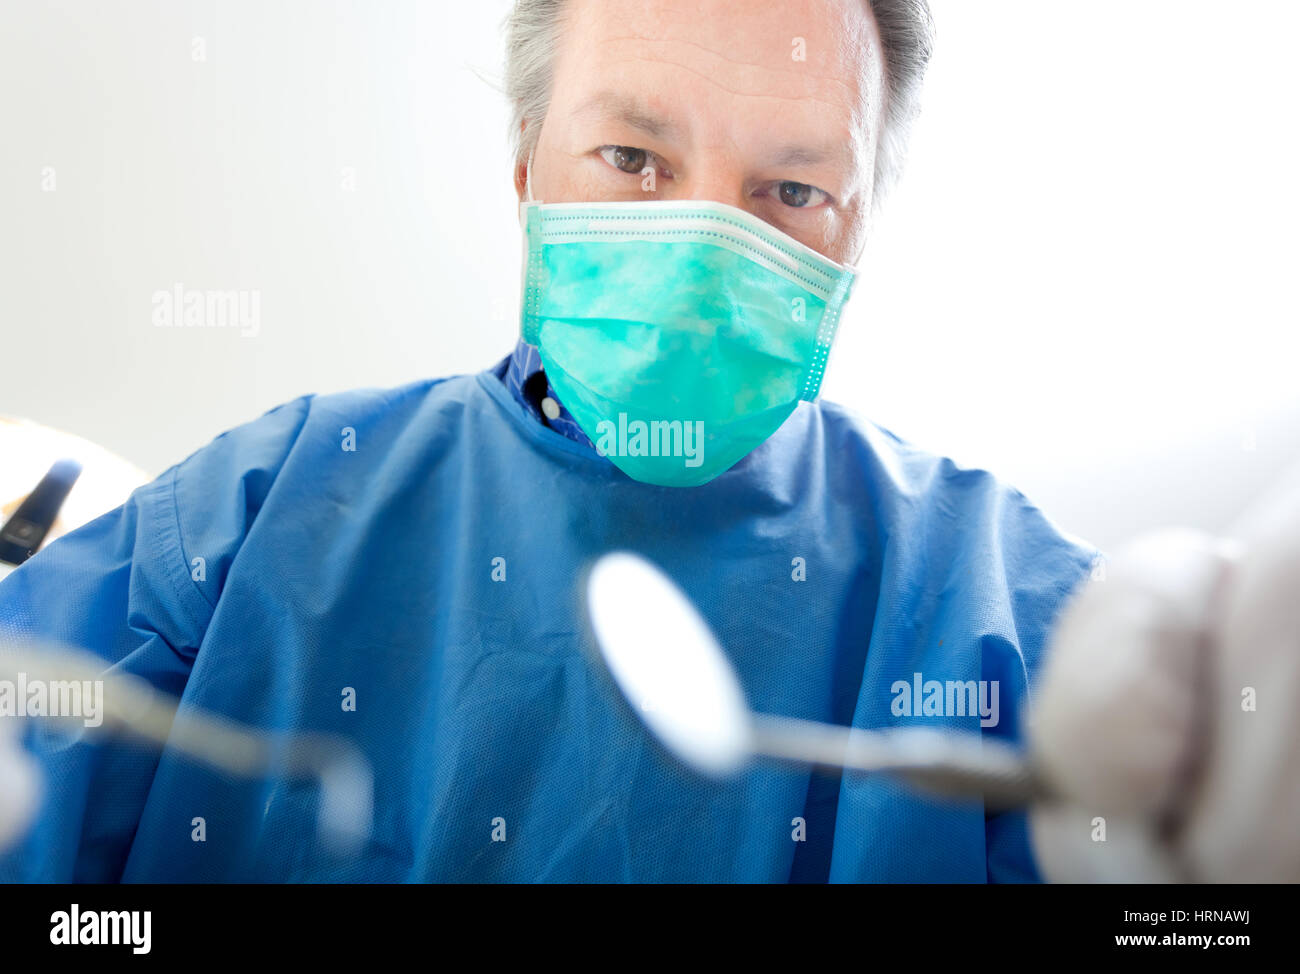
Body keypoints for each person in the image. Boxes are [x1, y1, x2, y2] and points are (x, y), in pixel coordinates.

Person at [0, 0, 1098, 882]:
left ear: (855, 231)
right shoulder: (268, 506)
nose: (704, 257)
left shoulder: (987, 601)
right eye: (631, 158)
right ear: (527, 170)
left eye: (793, 190)